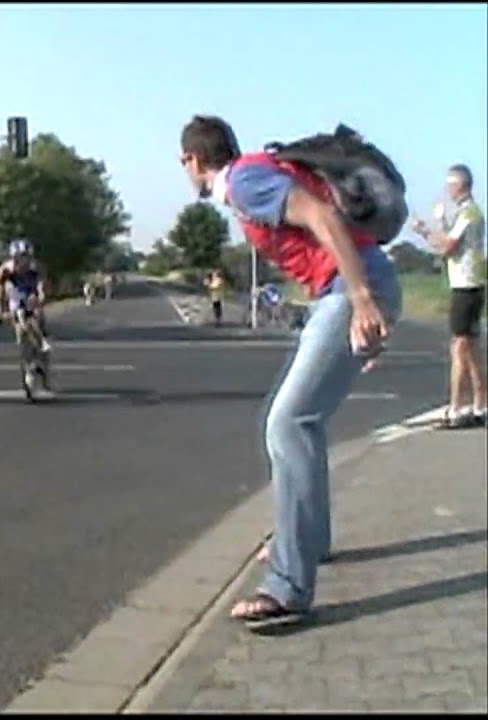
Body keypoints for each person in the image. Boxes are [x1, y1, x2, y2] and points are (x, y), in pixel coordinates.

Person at [179, 115, 402, 630]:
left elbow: (323, 216)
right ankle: (309, 540)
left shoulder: (243, 182)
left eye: (184, 163)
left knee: (288, 423)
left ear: (193, 159)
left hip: (353, 288)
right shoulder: (254, 175)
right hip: (349, 288)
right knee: (306, 421)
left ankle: (288, 584)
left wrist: (362, 300)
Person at [411, 164, 486, 429]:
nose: (447, 190)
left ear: (460, 185)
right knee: (472, 348)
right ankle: (480, 404)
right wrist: (440, 224)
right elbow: (448, 243)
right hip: (470, 284)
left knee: (459, 346)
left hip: (466, 285)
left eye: (450, 184)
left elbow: (446, 246)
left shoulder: (468, 212)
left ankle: (456, 408)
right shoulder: (466, 213)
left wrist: (424, 230)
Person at [0, 238, 51, 354]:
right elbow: (0, 292)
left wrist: (41, 296)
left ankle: (41, 334)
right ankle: (23, 344)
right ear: (13, 258)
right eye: (19, 258)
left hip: (31, 292)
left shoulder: (37, 267)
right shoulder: (5, 270)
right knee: (17, 314)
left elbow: (41, 285)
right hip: (15, 293)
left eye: (26, 257)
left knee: (37, 311)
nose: (23, 262)